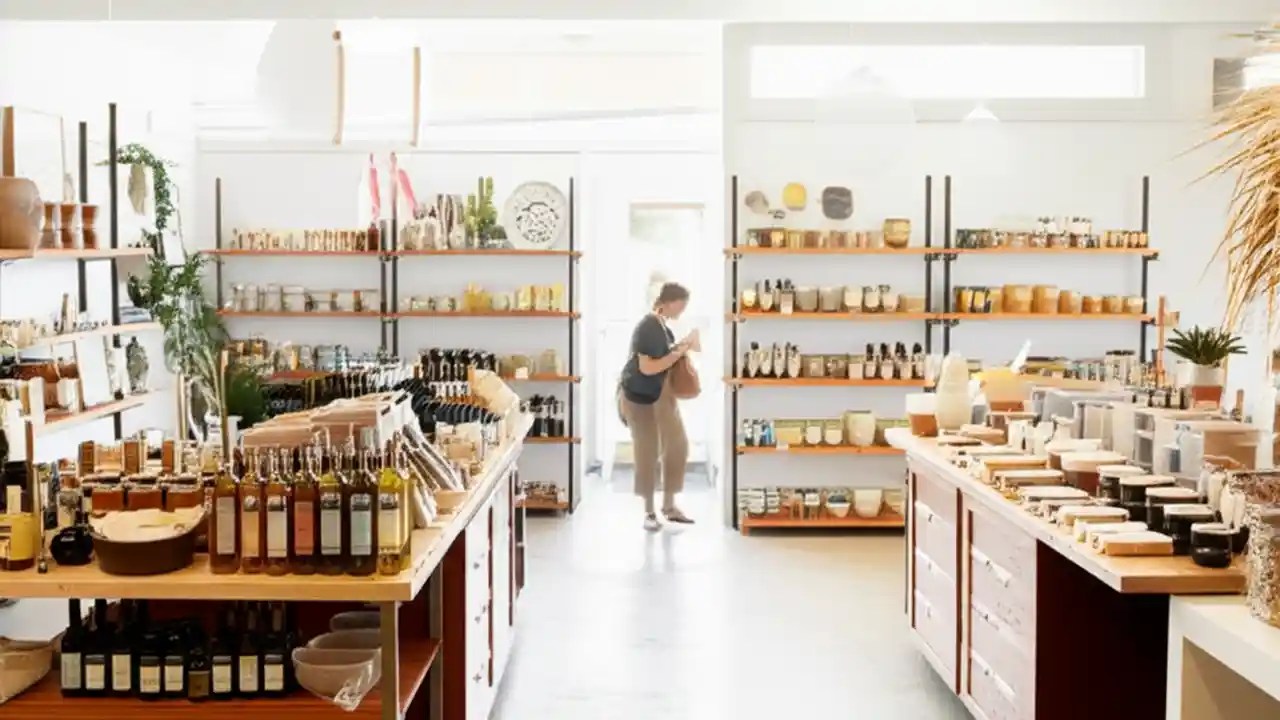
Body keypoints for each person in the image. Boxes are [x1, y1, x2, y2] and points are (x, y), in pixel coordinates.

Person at [619, 281, 699, 531]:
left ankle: (669, 505)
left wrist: (681, 347)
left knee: (677, 445)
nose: (682, 311)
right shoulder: (648, 326)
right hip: (640, 397)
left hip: (661, 394)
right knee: (647, 451)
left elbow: (661, 360)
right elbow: (648, 367)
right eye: (681, 305)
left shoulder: (663, 327)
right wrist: (679, 352)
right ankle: (649, 511)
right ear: (670, 302)